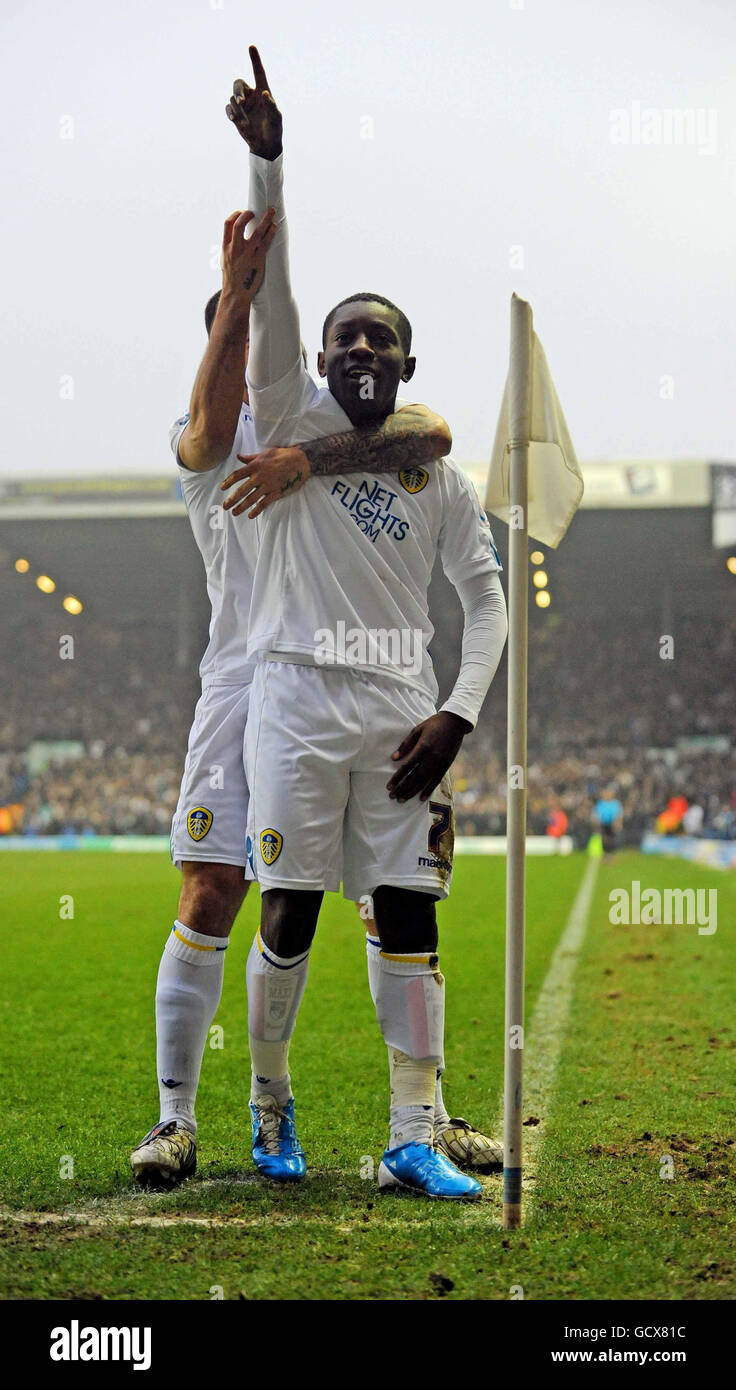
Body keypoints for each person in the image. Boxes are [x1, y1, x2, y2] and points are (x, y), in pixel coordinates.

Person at [130, 171, 495, 1189]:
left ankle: (421, 1109)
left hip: (359, 677)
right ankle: (179, 1117)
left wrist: (317, 453)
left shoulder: (330, 431)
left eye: (256, 336)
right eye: (234, 338)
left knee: (399, 898)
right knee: (220, 887)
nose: (251, 354)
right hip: (250, 684)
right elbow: (210, 433)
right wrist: (235, 298)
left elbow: (430, 434)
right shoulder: (210, 436)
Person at [222, 48, 508, 1200]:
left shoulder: (442, 478)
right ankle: (269, 1109)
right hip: (293, 694)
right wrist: (268, 162)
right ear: (321, 358)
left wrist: (456, 712)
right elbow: (278, 283)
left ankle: (408, 1133)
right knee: (287, 904)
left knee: (407, 911)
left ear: (406, 366)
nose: (357, 352)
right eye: (345, 339)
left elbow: (482, 601)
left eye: (379, 343)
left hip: (400, 708)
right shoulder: (287, 406)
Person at [592, 786, 623, 856]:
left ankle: (611, 853)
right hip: (603, 823)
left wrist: (618, 823)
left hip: (612, 824)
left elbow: (619, 814)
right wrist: (596, 823)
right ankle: (605, 852)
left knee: (611, 839)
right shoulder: (600, 803)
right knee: (604, 839)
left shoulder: (615, 803)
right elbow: (596, 814)